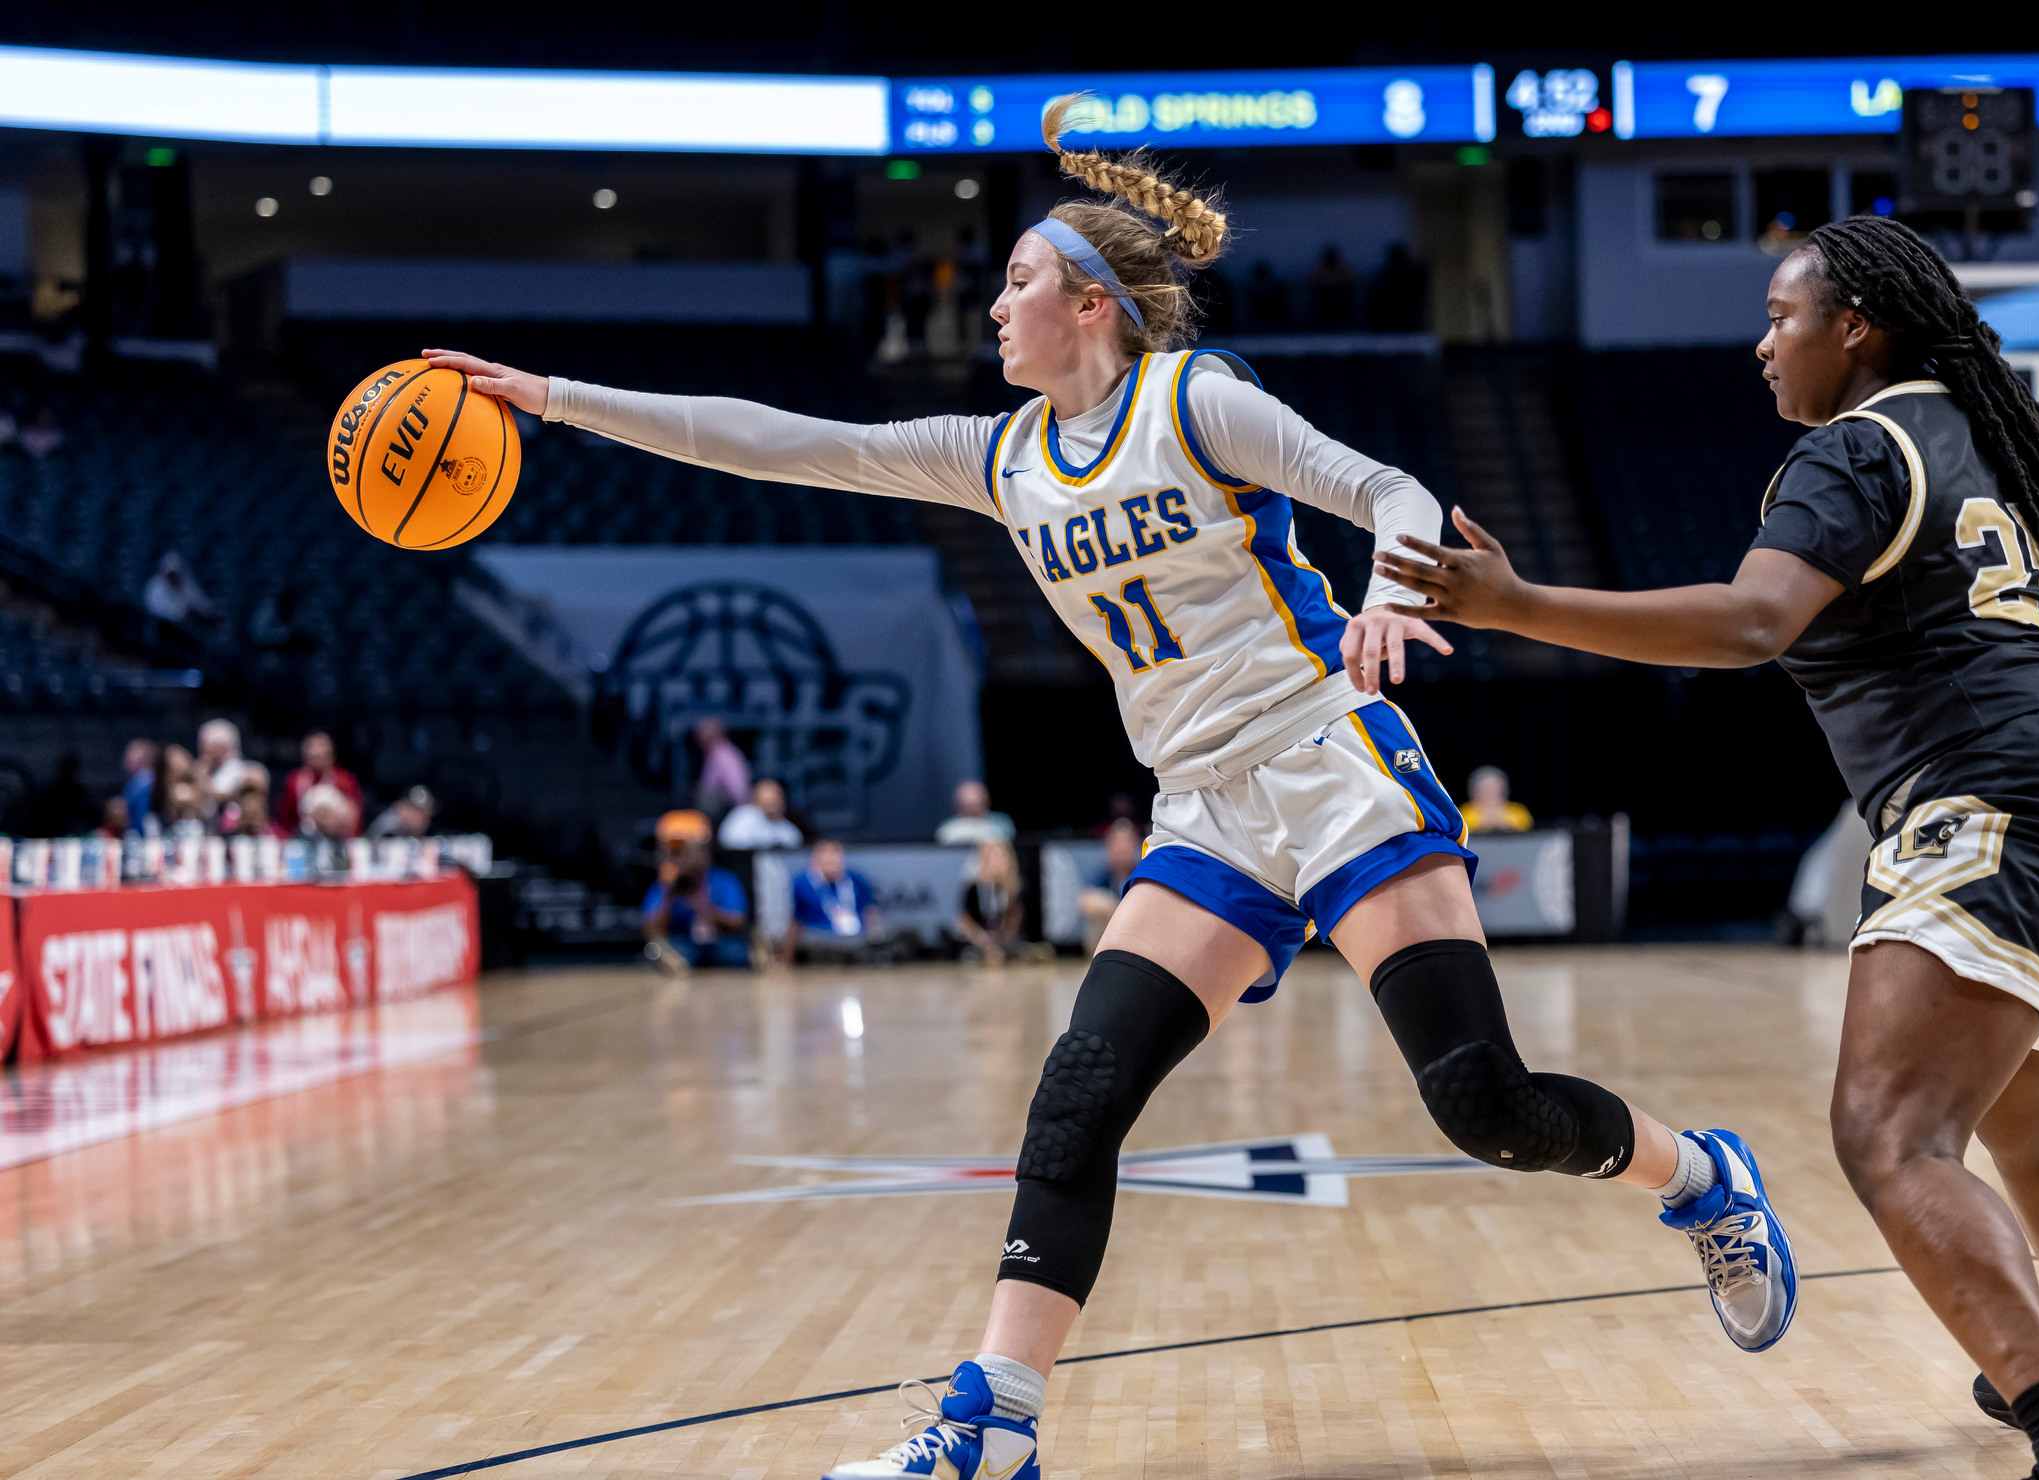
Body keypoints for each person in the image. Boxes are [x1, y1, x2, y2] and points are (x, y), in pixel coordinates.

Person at [422, 96, 1794, 1480]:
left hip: (1325, 758)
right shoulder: (1001, 459)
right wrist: (549, 401)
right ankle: (992, 1425)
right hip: (1201, 810)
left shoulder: (1191, 402)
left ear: (1087, 302)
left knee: (1481, 1105)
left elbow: (1384, 489)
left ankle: (1697, 1176)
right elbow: (774, 437)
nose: (993, 308)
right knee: (1078, 1093)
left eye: (1015, 283)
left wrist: (1385, 595)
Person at [1376, 214, 2039, 1480]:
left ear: (1853, 326)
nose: (1759, 342)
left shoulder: (1855, 449)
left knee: (1889, 1135)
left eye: (1781, 316)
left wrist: (1518, 603)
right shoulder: (2013, 448)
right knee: (2025, 1125)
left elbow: (1753, 621)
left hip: (1988, 792)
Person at [642, 810, 751, 973]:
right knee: (668, 949)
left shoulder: (722, 879)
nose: (682, 857)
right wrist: (668, 892)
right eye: (676, 852)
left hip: (718, 944)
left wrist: (704, 908)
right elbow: (651, 931)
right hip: (685, 944)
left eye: (687, 850)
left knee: (737, 952)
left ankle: (755, 955)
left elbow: (738, 920)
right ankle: (674, 962)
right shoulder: (664, 885)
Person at [783, 839, 881, 964]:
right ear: (815, 859)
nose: (831, 861)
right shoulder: (801, 883)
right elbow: (794, 922)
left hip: (854, 943)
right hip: (820, 945)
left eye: (835, 855)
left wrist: (877, 944)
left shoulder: (856, 879)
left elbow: (870, 913)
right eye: (825, 857)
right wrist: (786, 960)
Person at [277, 731, 362, 838]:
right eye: (313, 753)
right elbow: (285, 820)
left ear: (331, 754)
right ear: (305, 756)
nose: (317, 755)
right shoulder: (294, 781)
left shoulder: (345, 781)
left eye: (321, 753)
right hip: (301, 841)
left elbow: (355, 820)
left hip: (338, 840)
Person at [1077, 816, 1140, 954]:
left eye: (1125, 847)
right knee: (1096, 915)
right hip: (1111, 932)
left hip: (1137, 934)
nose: (1121, 852)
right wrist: (1115, 908)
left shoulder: (1141, 874)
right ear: (1109, 847)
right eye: (1117, 846)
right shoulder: (1102, 874)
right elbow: (1084, 901)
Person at [957, 839, 1027, 965]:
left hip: (1009, 945)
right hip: (980, 946)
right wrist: (982, 939)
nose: (994, 863)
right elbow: (965, 921)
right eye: (989, 857)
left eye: (998, 857)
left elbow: (1017, 921)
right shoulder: (974, 889)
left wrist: (1001, 941)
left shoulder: (1016, 889)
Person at [718, 777, 805, 851]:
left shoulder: (790, 831)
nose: (772, 805)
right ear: (756, 801)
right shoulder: (742, 818)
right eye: (767, 802)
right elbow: (731, 845)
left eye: (775, 800)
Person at [693, 717, 751, 820]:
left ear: (715, 733)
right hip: (718, 815)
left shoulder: (724, 755)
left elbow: (738, 792)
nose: (698, 735)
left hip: (728, 815)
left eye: (702, 731)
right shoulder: (713, 754)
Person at [935, 779, 1016, 848]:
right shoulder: (948, 829)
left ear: (986, 802)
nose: (973, 810)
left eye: (977, 805)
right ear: (959, 806)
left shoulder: (1002, 824)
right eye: (968, 807)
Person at [194, 719, 247, 816]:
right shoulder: (212, 769)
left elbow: (220, 795)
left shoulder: (234, 768)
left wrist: (200, 776)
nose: (201, 748)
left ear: (223, 746)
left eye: (205, 744)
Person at [1461, 765, 1533, 833]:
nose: (1491, 794)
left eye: (1495, 789)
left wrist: (1502, 823)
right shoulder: (1463, 813)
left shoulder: (1519, 811)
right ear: (1473, 792)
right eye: (1485, 790)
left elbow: (1526, 828)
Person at [222, 765, 285, 839]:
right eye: (246, 793)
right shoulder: (226, 828)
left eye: (258, 794)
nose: (251, 801)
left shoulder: (276, 835)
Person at [366, 785, 438, 839]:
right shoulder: (388, 829)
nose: (423, 817)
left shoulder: (423, 831)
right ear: (401, 807)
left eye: (426, 812)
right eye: (417, 811)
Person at [120, 738, 157, 835]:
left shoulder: (146, 781)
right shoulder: (135, 782)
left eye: (132, 752)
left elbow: (144, 817)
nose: (127, 756)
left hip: (142, 837)